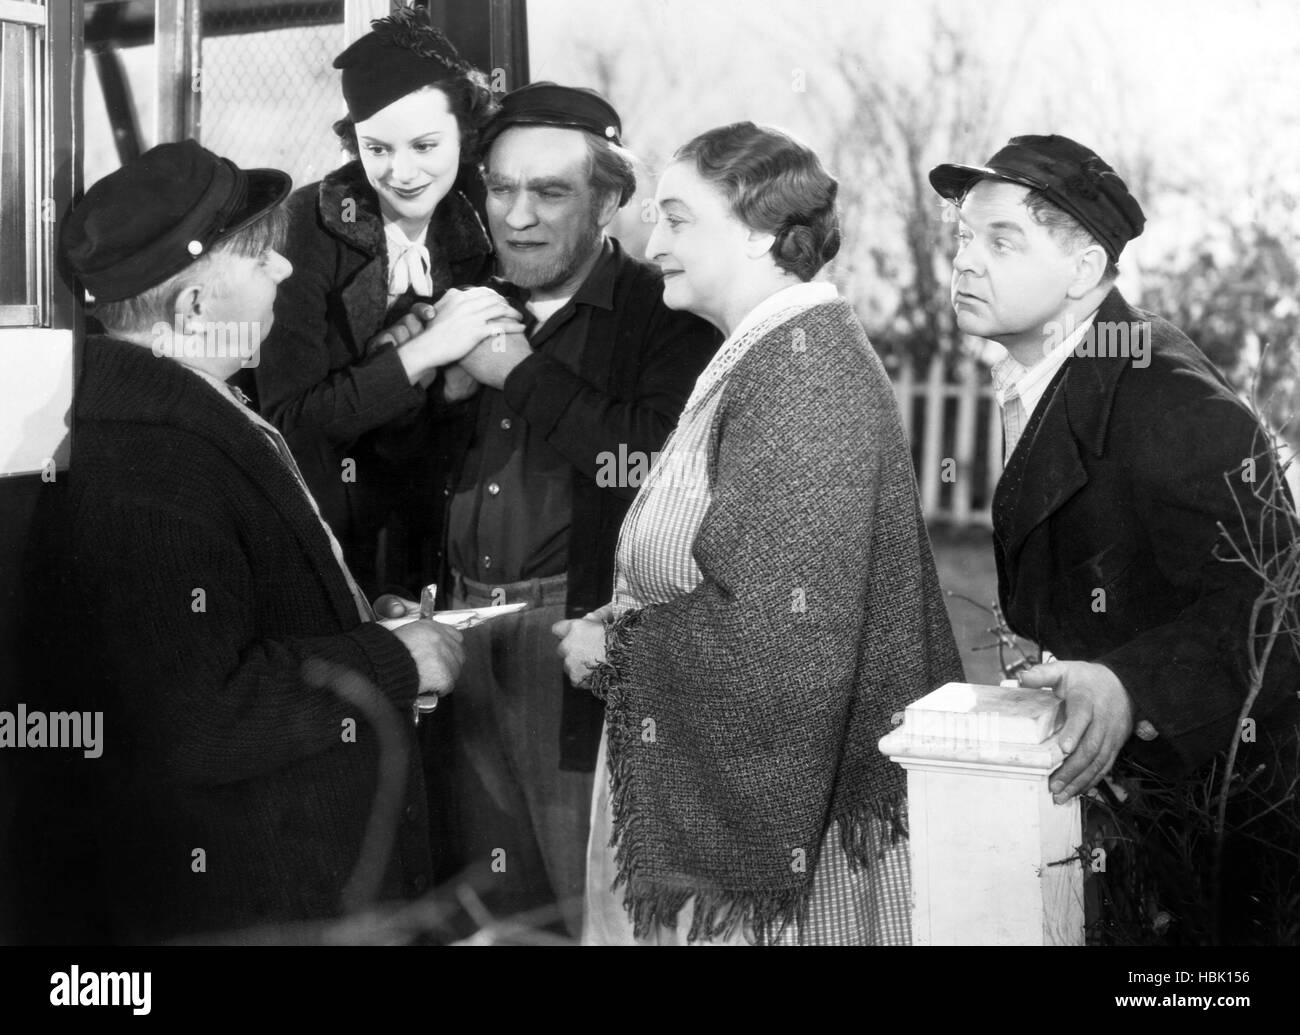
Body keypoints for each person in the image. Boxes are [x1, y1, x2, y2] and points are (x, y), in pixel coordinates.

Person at [16, 140, 466, 944]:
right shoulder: (146, 461)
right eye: (260, 258)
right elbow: (197, 716)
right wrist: (396, 661)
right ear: (193, 310)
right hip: (253, 902)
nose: (287, 273)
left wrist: (359, 619)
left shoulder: (193, 410)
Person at [555, 122, 963, 945]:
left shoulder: (803, 370)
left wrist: (619, 653)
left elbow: (782, 635)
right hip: (729, 795)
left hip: (778, 850)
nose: (650, 237)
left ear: (759, 234)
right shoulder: (766, 353)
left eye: (676, 217)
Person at [929, 134, 1300, 942]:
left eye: (1002, 240)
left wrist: (1130, 685)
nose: (965, 260)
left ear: (1084, 270)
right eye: (964, 235)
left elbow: (1279, 608)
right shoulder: (1061, 369)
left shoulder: (1168, 402)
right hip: (1116, 824)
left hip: (1211, 850)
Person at [429, 83, 720, 932]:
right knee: (485, 909)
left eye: (550, 192)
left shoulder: (666, 316)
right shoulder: (468, 305)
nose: (517, 216)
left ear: (608, 200)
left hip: (574, 645)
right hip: (455, 634)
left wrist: (519, 372)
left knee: (583, 904)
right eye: (500, 188)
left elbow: (652, 467)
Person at [254, 2, 524, 595]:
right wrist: (423, 354)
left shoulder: (479, 230)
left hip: (433, 535)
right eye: (377, 149)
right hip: (321, 535)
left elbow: (449, 426)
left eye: (425, 146)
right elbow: (288, 424)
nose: (401, 173)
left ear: (466, 134)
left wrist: (449, 391)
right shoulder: (306, 226)